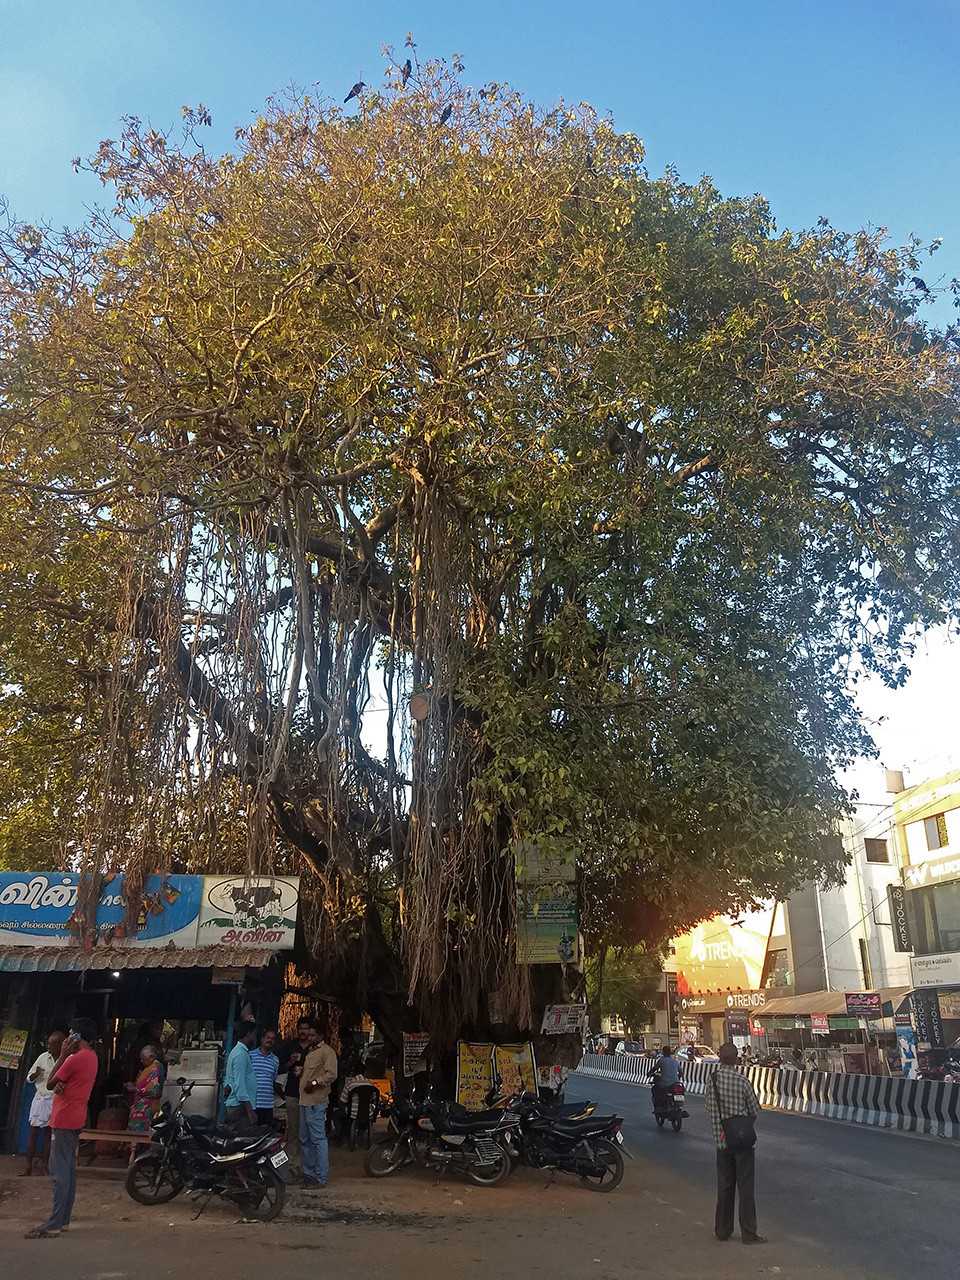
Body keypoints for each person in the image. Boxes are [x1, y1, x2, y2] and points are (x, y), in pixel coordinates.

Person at [24, 1016, 98, 1240]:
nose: (67, 1039)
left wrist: (64, 1054)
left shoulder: (75, 1058)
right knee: (68, 1170)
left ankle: (55, 1223)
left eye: (70, 1035)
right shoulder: (91, 1057)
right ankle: (63, 1220)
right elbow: (61, 1083)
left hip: (64, 1117)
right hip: (76, 1116)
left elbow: (49, 1082)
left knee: (59, 1172)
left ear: (76, 1036)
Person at [703, 1041, 765, 1245]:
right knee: (745, 1187)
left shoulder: (712, 1080)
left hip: (721, 1142)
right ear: (737, 1059)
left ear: (719, 1057)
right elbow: (755, 1110)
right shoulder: (742, 1081)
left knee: (725, 1185)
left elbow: (708, 1107)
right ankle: (748, 1233)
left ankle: (722, 1230)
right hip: (742, 1142)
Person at [20, 1031, 66, 1176]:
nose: (48, 1046)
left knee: (49, 1134)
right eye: (48, 1043)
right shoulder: (42, 1057)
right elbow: (29, 1077)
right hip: (40, 1098)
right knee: (34, 1132)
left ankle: (44, 1165)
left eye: (52, 1044)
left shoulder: (67, 1060)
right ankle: (27, 1167)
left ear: (61, 1045)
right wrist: (36, 1074)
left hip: (55, 1099)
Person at [299, 1024, 338, 1189]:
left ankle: (320, 1177)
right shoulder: (311, 1052)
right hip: (304, 1101)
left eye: (313, 1035)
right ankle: (309, 1174)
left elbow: (331, 1074)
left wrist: (314, 1083)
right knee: (305, 1139)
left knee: (318, 1139)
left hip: (316, 1102)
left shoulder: (327, 1052)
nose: (309, 1037)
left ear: (321, 1035)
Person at [280, 1017, 315, 1175]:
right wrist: (290, 1062)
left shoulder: (315, 1048)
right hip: (293, 1094)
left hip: (310, 1096)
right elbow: (281, 1067)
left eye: (306, 1028)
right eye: (301, 1028)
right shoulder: (290, 1046)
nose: (303, 1031)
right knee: (293, 1132)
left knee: (308, 1133)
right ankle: (292, 1167)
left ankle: (307, 1168)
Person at [125, 1045, 163, 1160]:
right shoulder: (149, 1068)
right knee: (135, 1130)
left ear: (151, 1057)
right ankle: (135, 1155)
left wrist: (135, 1089)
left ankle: (144, 1156)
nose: (141, 1061)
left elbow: (153, 1089)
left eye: (143, 1059)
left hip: (147, 1107)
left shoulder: (156, 1068)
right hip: (140, 1105)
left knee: (143, 1131)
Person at [222, 1024, 258, 1132]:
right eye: (254, 1034)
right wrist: (249, 1109)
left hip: (238, 1106)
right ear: (249, 1035)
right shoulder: (240, 1054)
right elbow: (240, 1084)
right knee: (241, 1141)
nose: (254, 1037)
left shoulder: (240, 1052)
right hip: (239, 1108)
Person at [250, 1029, 280, 1127]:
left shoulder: (275, 1060)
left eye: (272, 1039)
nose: (270, 1040)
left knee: (266, 1134)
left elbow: (273, 1079)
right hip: (253, 1103)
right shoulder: (250, 1055)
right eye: (268, 1037)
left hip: (267, 1104)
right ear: (262, 1039)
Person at [651, 1044, 681, 1110]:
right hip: (676, 1083)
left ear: (663, 1052)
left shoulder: (661, 1060)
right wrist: (677, 1078)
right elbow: (681, 1072)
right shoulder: (675, 1061)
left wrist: (649, 1073)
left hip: (665, 1083)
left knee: (655, 1089)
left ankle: (658, 1105)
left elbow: (654, 1069)